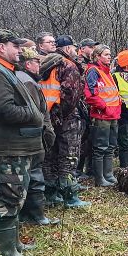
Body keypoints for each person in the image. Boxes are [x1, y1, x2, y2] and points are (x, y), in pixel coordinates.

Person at [0, 29, 43, 256]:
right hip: (8, 147)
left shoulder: (3, 69)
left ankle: (13, 243)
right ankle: (7, 252)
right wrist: (33, 113)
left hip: (16, 145)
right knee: (7, 197)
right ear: (1, 47)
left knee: (16, 196)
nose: (20, 51)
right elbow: (3, 111)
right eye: (15, 46)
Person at [39, 35, 89, 207]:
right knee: (69, 156)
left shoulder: (43, 62)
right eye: (74, 48)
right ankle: (70, 196)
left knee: (49, 156)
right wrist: (64, 115)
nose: (75, 51)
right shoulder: (68, 65)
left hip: (46, 116)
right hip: (67, 118)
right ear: (68, 49)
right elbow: (71, 95)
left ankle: (51, 194)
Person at [15, 46, 59, 225]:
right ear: (27, 64)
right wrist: (45, 132)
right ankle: (36, 215)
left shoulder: (27, 79)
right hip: (32, 137)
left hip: (33, 135)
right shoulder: (26, 81)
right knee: (34, 176)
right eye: (36, 62)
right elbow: (36, 113)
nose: (39, 65)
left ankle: (33, 214)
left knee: (32, 176)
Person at [84, 44, 122, 187]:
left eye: (110, 54)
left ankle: (108, 174)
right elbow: (91, 95)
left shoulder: (107, 72)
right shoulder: (93, 71)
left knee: (111, 146)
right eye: (106, 54)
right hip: (102, 116)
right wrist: (104, 108)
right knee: (100, 147)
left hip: (113, 115)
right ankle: (99, 178)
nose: (109, 56)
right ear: (98, 56)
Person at [75, 38, 97, 178]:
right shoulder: (78, 63)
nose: (92, 49)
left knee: (89, 138)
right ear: (82, 48)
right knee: (81, 138)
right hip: (81, 105)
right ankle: (77, 169)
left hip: (89, 106)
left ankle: (89, 168)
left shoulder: (91, 63)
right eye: (90, 47)